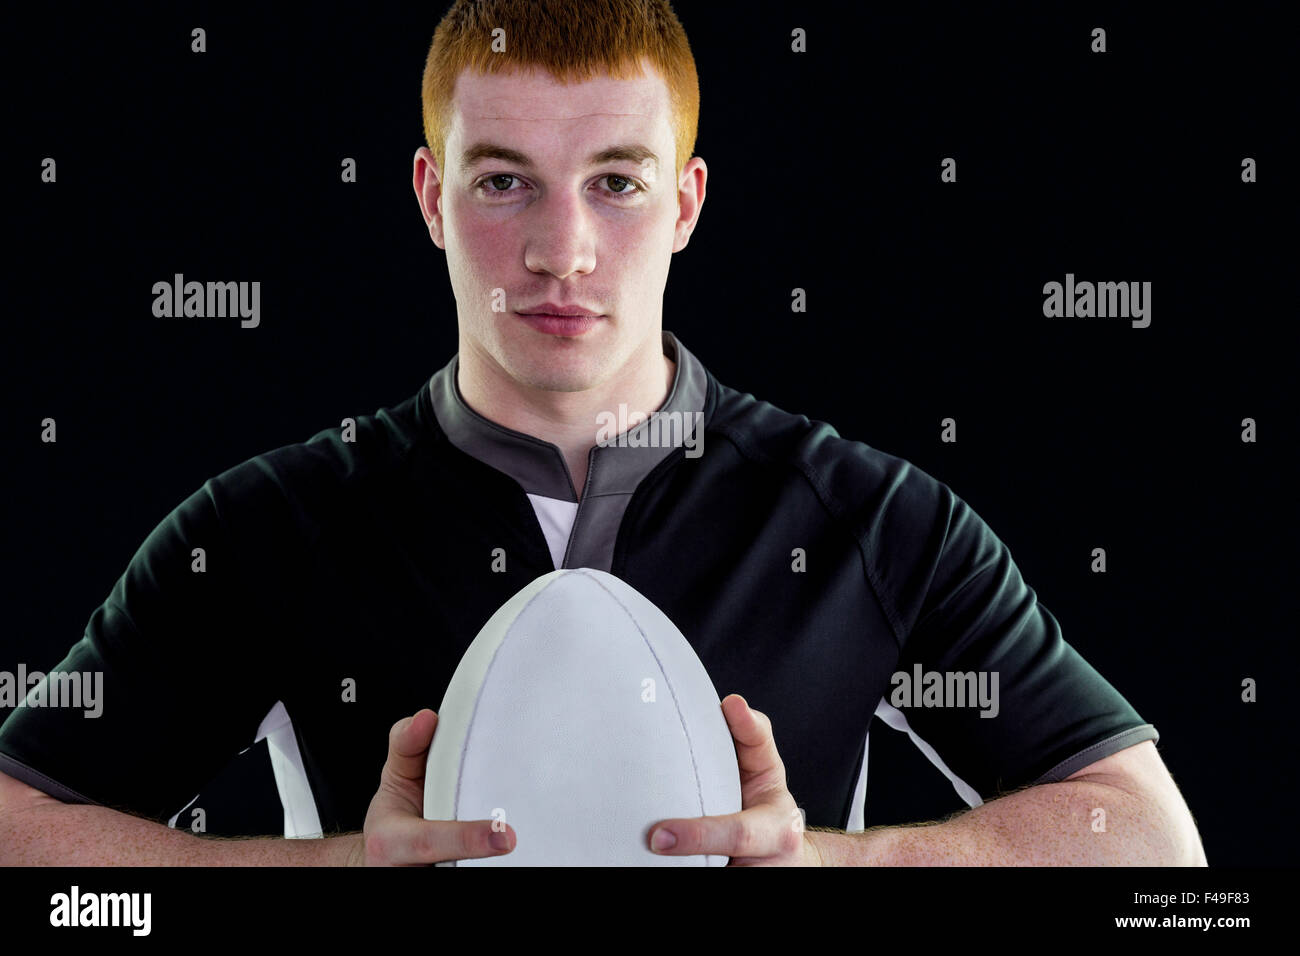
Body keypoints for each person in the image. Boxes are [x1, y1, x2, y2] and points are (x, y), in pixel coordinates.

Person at [0, 0, 1205, 866]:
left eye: (616, 182)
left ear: (684, 203)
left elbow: (1152, 847)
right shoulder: (264, 531)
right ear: (431, 196)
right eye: (503, 180)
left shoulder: (874, 523)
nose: (559, 250)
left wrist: (836, 867)